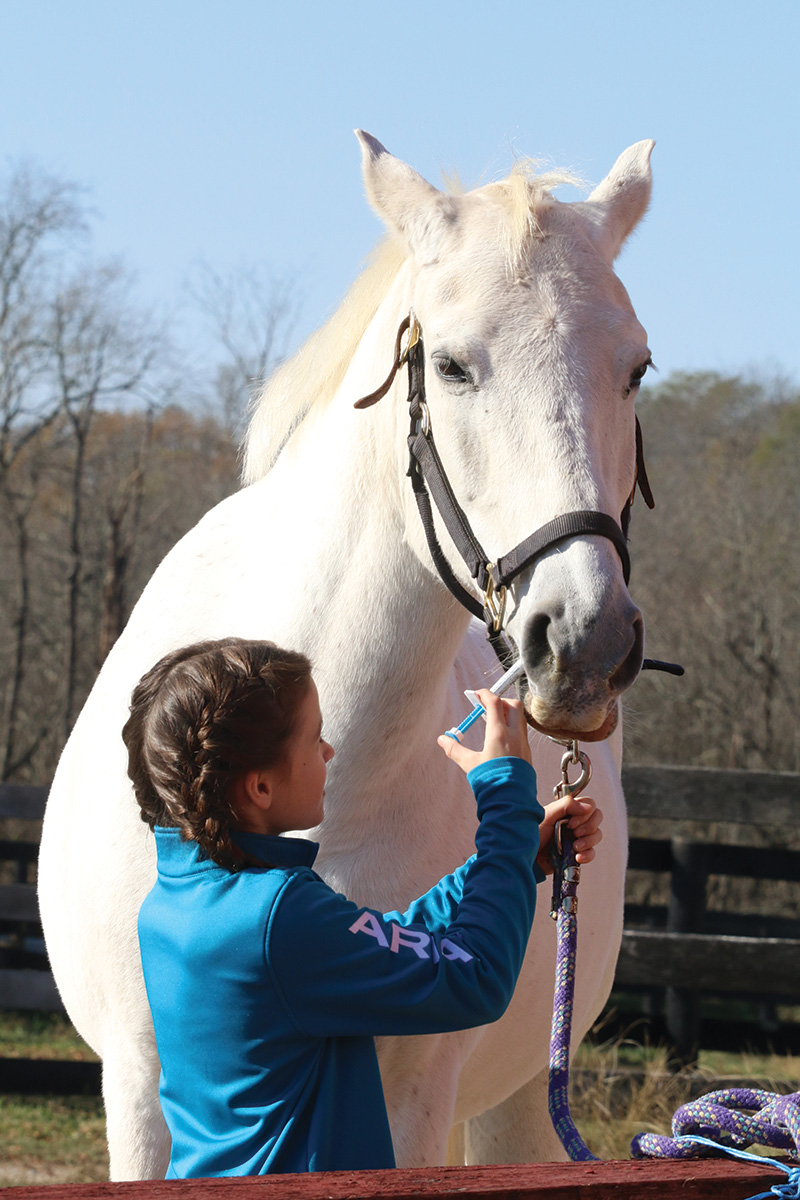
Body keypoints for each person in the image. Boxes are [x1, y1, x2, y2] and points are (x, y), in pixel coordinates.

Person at [126, 637, 603, 1179]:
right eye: (314, 739)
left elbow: (396, 941)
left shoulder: (177, 905)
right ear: (259, 786)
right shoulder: (277, 917)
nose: (328, 752)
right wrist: (506, 797)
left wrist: (510, 857)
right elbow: (476, 978)